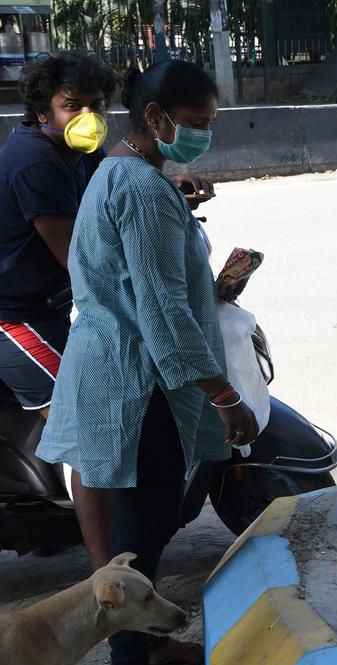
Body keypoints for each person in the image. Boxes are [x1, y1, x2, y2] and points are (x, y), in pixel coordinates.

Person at [34, 60, 258, 665]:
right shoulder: (141, 190)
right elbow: (162, 311)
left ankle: (139, 652)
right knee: (145, 527)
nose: (204, 134)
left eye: (210, 122)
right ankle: (132, 660)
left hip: (121, 368)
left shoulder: (121, 170)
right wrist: (222, 394)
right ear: (155, 117)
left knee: (141, 524)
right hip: (140, 379)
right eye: (195, 122)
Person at [0, 53, 215, 575]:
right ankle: (104, 575)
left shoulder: (84, 153)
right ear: (42, 110)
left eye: (95, 105)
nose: (87, 117)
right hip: (18, 315)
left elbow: (111, 204)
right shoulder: (34, 162)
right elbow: (82, 256)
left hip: (53, 305)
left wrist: (171, 196)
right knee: (93, 432)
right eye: (71, 106)